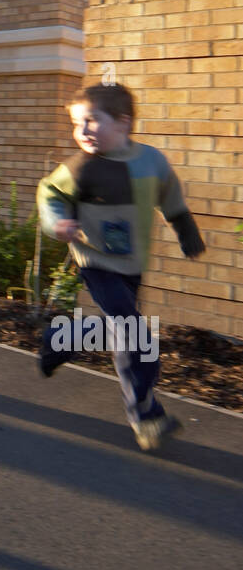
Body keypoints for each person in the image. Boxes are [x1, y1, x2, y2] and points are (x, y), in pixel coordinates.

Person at [36, 82, 205, 452]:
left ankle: (59, 340)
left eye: (91, 121)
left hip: (132, 265)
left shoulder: (151, 161)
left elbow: (170, 194)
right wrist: (57, 222)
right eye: (77, 124)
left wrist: (184, 226)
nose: (81, 132)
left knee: (120, 329)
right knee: (135, 335)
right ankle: (145, 416)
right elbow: (49, 193)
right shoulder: (80, 167)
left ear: (123, 122)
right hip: (95, 261)